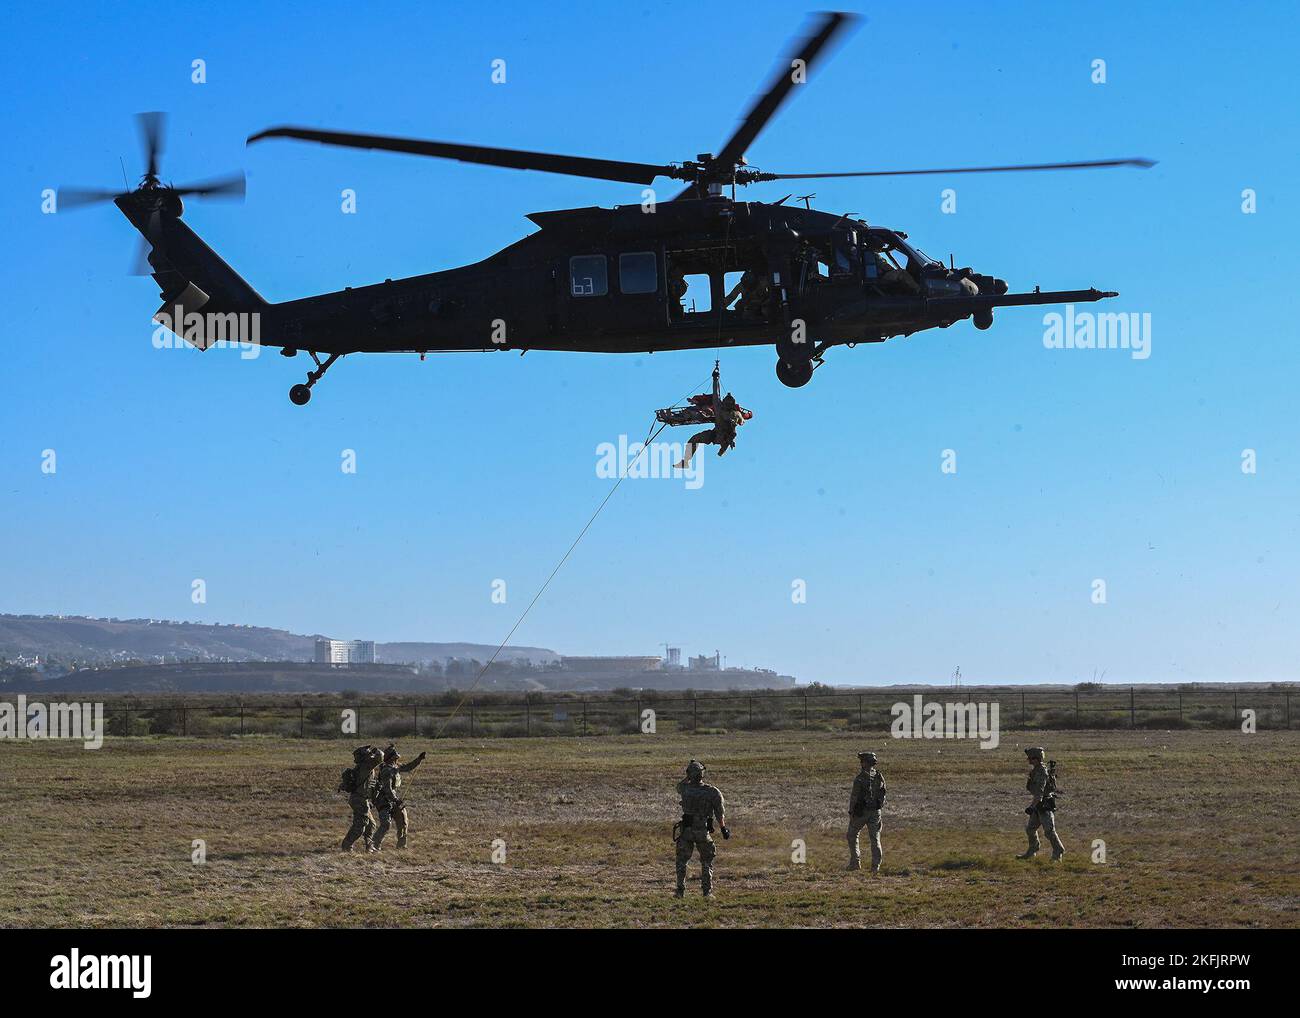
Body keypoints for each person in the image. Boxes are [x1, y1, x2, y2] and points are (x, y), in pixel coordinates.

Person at [674, 759, 728, 898]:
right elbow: (719, 813)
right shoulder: (712, 792)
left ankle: (680, 892)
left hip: (686, 830)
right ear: (702, 774)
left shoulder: (685, 789)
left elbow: (679, 786)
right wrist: (723, 829)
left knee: (681, 862)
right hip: (702, 830)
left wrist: (688, 775)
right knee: (706, 861)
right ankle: (707, 892)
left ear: (689, 774)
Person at [674, 366, 746, 468]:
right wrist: (715, 379)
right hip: (715, 433)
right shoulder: (719, 408)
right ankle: (685, 462)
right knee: (694, 439)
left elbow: (738, 425)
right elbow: (716, 394)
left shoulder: (734, 414)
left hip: (724, 437)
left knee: (719, 443)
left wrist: (734, 425)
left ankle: (723, 448)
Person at [373, 744, 428, 850]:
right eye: (395, 757)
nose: (397, 759)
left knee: (403, 822)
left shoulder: (395, 767)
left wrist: (419, 759)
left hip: (393, 800)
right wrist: (395, 800)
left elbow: (408, 767)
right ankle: (374, 846)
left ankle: (401, 847)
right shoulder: (386, 771)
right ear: (391, 758)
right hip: (384, 801)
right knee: (385, 825)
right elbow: (387, 788)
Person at [1018, 747, 1066, 861]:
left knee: (1049, 831)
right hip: (1038, 805)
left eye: (1030, 757)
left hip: (1044, 805)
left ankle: (1058, 851)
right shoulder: (1036, 770)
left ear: (1036, 759)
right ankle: (1032, 850)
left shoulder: (1041, 772)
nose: (1028, 759)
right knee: (1030, 829)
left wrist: (1031, 807)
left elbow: (1039, 793)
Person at [847, 751, 887, 874]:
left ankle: (855, 863)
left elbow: (854, 797)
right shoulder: (879, 776)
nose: (861, 763)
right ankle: (875, 866)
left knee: (852, 835)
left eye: (862, 761)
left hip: (861, 813)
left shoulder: (859, 779)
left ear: (864, 763)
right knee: (875, 839)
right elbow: (883, 793)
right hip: (876, 812)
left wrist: (851, 812)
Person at [339, 745, 384, 853]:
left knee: (371, 824)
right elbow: (380, 757)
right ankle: (347, 846)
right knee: (360, 825)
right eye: (369, 754)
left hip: (360, 799)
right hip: (359, 799)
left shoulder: (363, 766)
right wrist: (376, 750)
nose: (371, 756)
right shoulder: (366, 765)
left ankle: (369, 847)